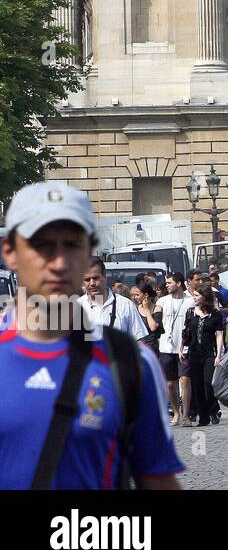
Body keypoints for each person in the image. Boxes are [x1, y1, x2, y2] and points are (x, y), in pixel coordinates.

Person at [0, 181, 184, 489]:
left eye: (72, 245)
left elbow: (159, 481)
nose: (58, 263)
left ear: (89, 253)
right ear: (11, 253)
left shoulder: (129, 363)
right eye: (42, 245)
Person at [79, 258, 148, 343]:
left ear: (104, 276)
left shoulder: (126, 305)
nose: (92, 283)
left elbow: (139, 342)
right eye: (87, 279)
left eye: (95, 278)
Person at [183, 286, 225, 426]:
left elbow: (219, 334)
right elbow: (186, 333)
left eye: (196, 295)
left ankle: (213, 409)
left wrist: (218, 354)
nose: (193, 298)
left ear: (204, 297)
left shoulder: (215, 314)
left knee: (208, 383)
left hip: (209, 352)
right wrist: (180, 349)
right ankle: (203, 417)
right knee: (197, 385)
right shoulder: (190, 313)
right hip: (194, 353)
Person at [157, 271, 193, 426]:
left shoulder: (190, 301)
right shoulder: (163, 300)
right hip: (166, 346)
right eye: (166, 283)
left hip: (184, 347)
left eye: (169, 283)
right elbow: (156, 312)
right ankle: (176, 412)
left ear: (178, 284)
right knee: (170, 384)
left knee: (185, 380)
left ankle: (186, 415)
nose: (167, 285)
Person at [132, 280, 164, 355]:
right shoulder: (135, 308)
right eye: (133, 295)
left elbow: (153, 327)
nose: (134, 297)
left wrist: (147, 310)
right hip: (139, 347)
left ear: (146, 295)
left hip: (152, 348)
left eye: (137, 295)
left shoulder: (157, 308)